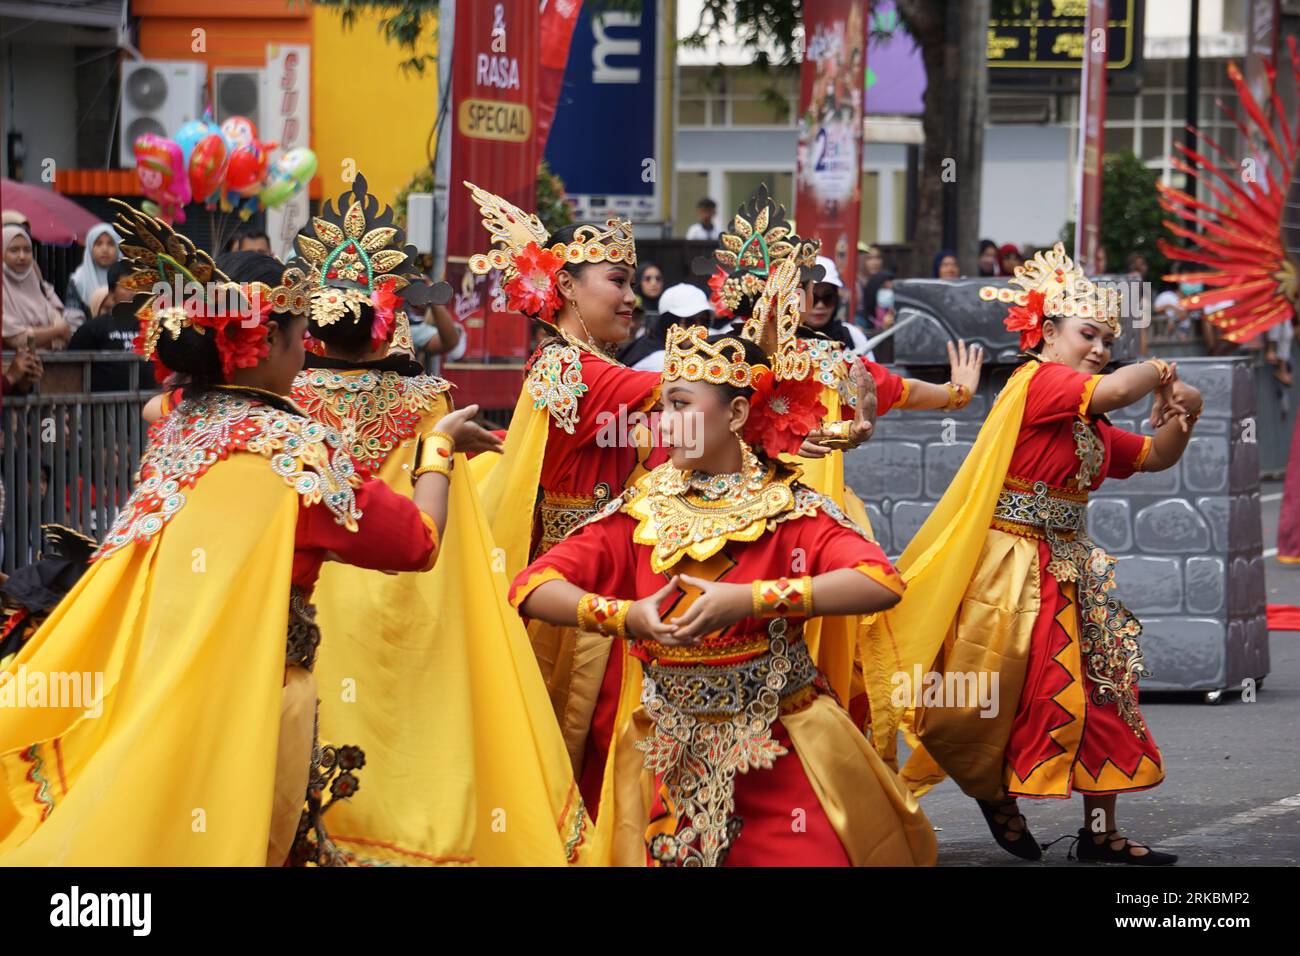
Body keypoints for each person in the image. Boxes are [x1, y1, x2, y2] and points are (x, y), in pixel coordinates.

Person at [0, 198, 456, 866]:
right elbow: (416, 543)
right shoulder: (299, 453)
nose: (310, 345)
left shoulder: (180, 426)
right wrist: (438, 448)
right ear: (265, 342)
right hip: (255, 699)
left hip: (159, 680)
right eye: (301, 332)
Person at [509, 284, 938, 867]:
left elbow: (879, 582)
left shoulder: (787, 509)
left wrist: (751, 599)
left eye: (681, 405)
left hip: (784, 751)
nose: (664, 420)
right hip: (668, 762)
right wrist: (626, 616)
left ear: (736, 412)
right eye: (662, 407)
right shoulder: (643, 512)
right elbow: (532, 588)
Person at [281, 173, 590, 865]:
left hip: (312, 599)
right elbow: (447, 522)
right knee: (415, 722)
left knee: (311, 722)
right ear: (388, 320)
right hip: (411, 583)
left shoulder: (287, 401)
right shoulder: (428, 403)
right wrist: (447, 451)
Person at [863, 243, 1199, 866]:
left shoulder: (1086, 415)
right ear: (1048, 333)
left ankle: (1101, 833)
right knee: (991, 699)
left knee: (1105, 691)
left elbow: (1153, 455)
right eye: (1088, 335)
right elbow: (1122, 387)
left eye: (1106, 340)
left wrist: (1187, 410)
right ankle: (993, 791)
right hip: (1010, 569)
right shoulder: (1040, 382)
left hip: (1070, 568)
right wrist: (1161, 373)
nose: (1099, 348)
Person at [464, 182, 664, 810]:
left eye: (632, 283)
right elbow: (684, 393)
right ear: (570, 287)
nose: (632, 297)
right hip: (579, 580)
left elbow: (671, 430)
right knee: (587, 729)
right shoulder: (571, 368)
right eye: (618, 280)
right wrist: (756, 365)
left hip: (614, 570)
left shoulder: (590, 366)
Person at [67, 262, 156, 392]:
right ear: (111, 291)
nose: (135, 293)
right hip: (102, 409)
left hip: (147, 405)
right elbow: (71, 368)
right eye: (128, 286)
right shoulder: (93, 328)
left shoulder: (156, 326)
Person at [2, 225, 71, 350]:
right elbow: (18, 341)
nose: (22, 256)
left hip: (51, 367)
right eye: (14, 250)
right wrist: (55, 332)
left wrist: (39, 335)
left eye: (27, 250)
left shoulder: (40, 286)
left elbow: (65, 330)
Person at [618, 282, 711, 371]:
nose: (699, 330)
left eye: (704, 321)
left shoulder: (649, 341)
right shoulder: (661, 360)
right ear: (669, 322)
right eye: (690, 322)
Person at [63, 223, 120, 326]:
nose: (105, 249)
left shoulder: (128, 279)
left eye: (111, 244)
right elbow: (72, 323)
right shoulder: (78, 281)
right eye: (98, 244)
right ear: (90, 247)